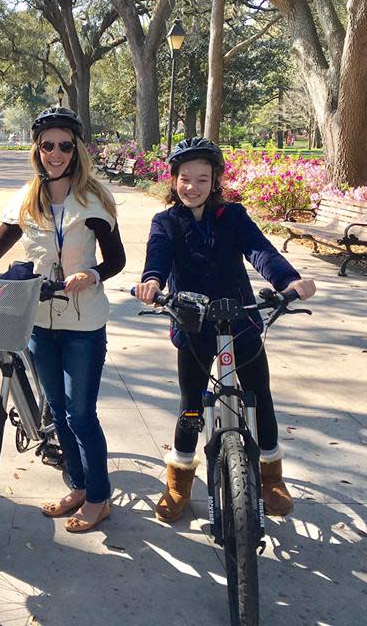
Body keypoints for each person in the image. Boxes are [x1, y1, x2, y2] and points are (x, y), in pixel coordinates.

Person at [0, 107, 125, 532]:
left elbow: (117, 259)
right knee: (56, 408)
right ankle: (76, 484)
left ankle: (99, 497)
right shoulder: (25, 199)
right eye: (48, 145)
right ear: (38, 149)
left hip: (83, 322)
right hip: (36, 320)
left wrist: (90, 274)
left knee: (81, 414)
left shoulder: (93, 201)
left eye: (64, 146)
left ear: (76, 152)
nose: (55, 153)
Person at [133, 136, 316, 523]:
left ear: (214, 180)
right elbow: (158, 257)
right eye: (185, 177)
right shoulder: (165, 221)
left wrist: (290, 280)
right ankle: (179, 478)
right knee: (192, 404)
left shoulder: (233, 216)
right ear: (174, 179)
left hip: (240, 319)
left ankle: (271, 475)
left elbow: (260, 250)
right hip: (193, 322)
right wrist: (152, 281)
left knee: (259, 398)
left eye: (202, 179)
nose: (192, 186)